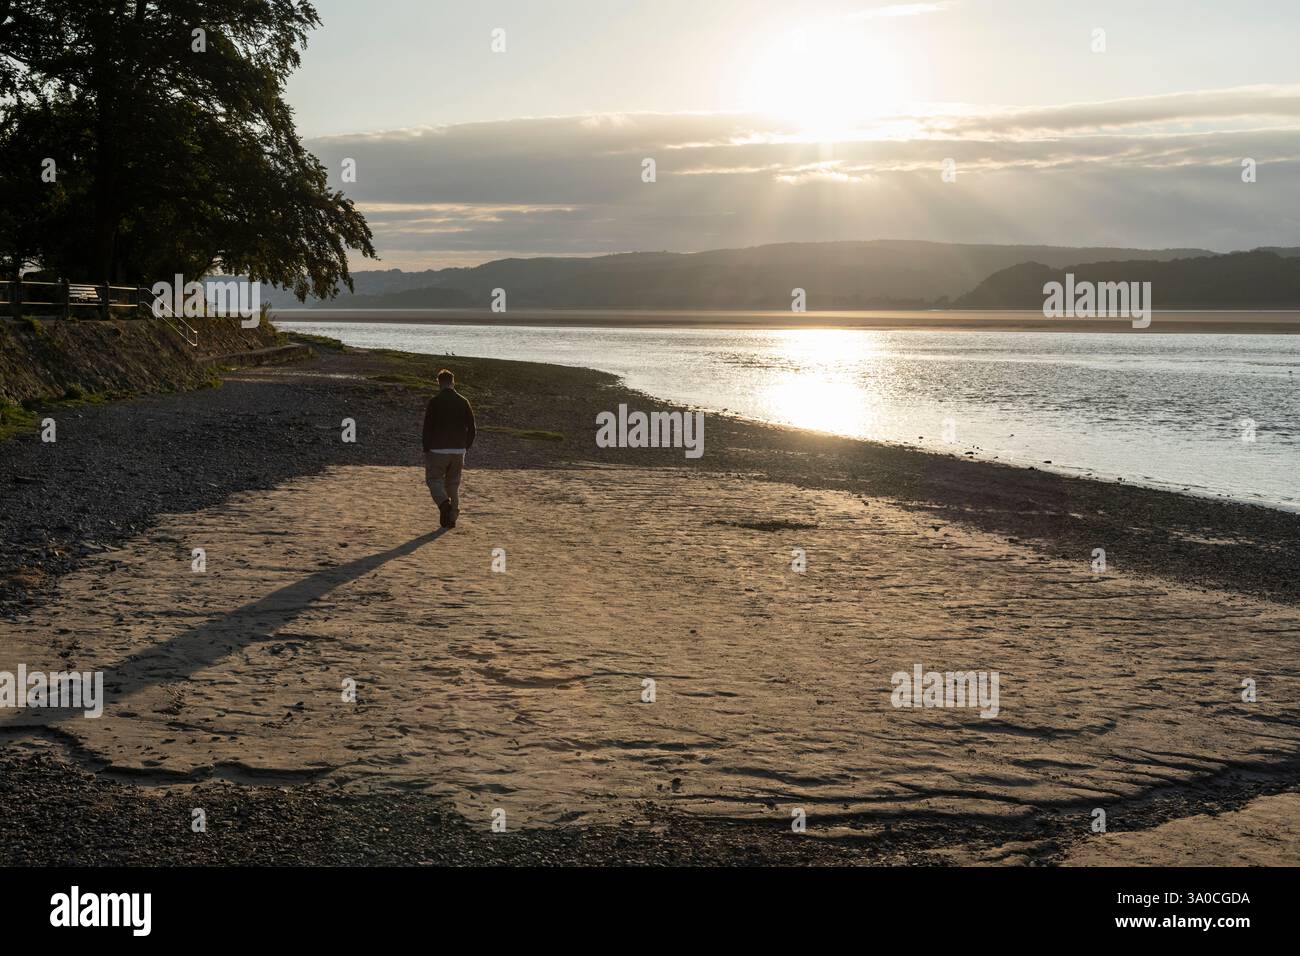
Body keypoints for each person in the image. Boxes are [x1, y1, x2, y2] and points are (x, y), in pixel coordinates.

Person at [422, 368, 476, 528]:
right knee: (453, 484)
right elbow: (472, 428)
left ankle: (444, 504)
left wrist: (426, 448)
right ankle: (451, 518)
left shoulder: (434, 402)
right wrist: (466, 446)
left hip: (438, 449)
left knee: (433, 480)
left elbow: (427, 428)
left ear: (439, 383)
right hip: (458, 450)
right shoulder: (463, 401)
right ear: (453, 382)